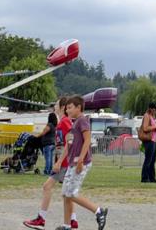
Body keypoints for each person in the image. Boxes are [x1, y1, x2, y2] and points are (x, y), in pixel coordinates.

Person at [23, 99, 74, 229]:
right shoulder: (61, 122)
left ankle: (41, 219)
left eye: (56, 104)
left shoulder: (65, 121)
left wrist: (60, 161)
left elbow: (70, 142)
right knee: (68, 192)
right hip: (64, 162)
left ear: (62, 107)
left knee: (48, 187)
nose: (54, 107)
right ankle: (73, 220)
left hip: (64, 163)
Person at [59, 95, 108, 230]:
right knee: (65, 193)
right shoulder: (74, 122)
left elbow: (87, 140)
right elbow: (70, 144)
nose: (67, 110)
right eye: (66, 108)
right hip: (72, 163)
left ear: (78, 107)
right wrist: (61, 162)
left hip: (81, 163)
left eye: (70, 108)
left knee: (72, 193)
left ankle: (98, 211)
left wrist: (80, 159)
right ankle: (66, 225)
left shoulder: (82, 120)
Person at [139, 100, 156, 184]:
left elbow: (153, 128)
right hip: (148, 141)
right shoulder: (147, 116)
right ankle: (144, 177)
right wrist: (155, 126)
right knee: (148, 160)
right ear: (150, 109)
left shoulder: (152, 117)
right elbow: (145, 128)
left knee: (153, 161)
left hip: (154, 140)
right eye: (154, 109)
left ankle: (152, 177)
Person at [40, 112, 58, 177]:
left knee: (47, 158)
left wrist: (37, 136)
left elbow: (44, 132)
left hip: (47, 143)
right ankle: (50, 170)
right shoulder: (54, 126)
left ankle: (46, 171)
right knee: (50, 158)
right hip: (52, 143)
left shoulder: (49, 125)